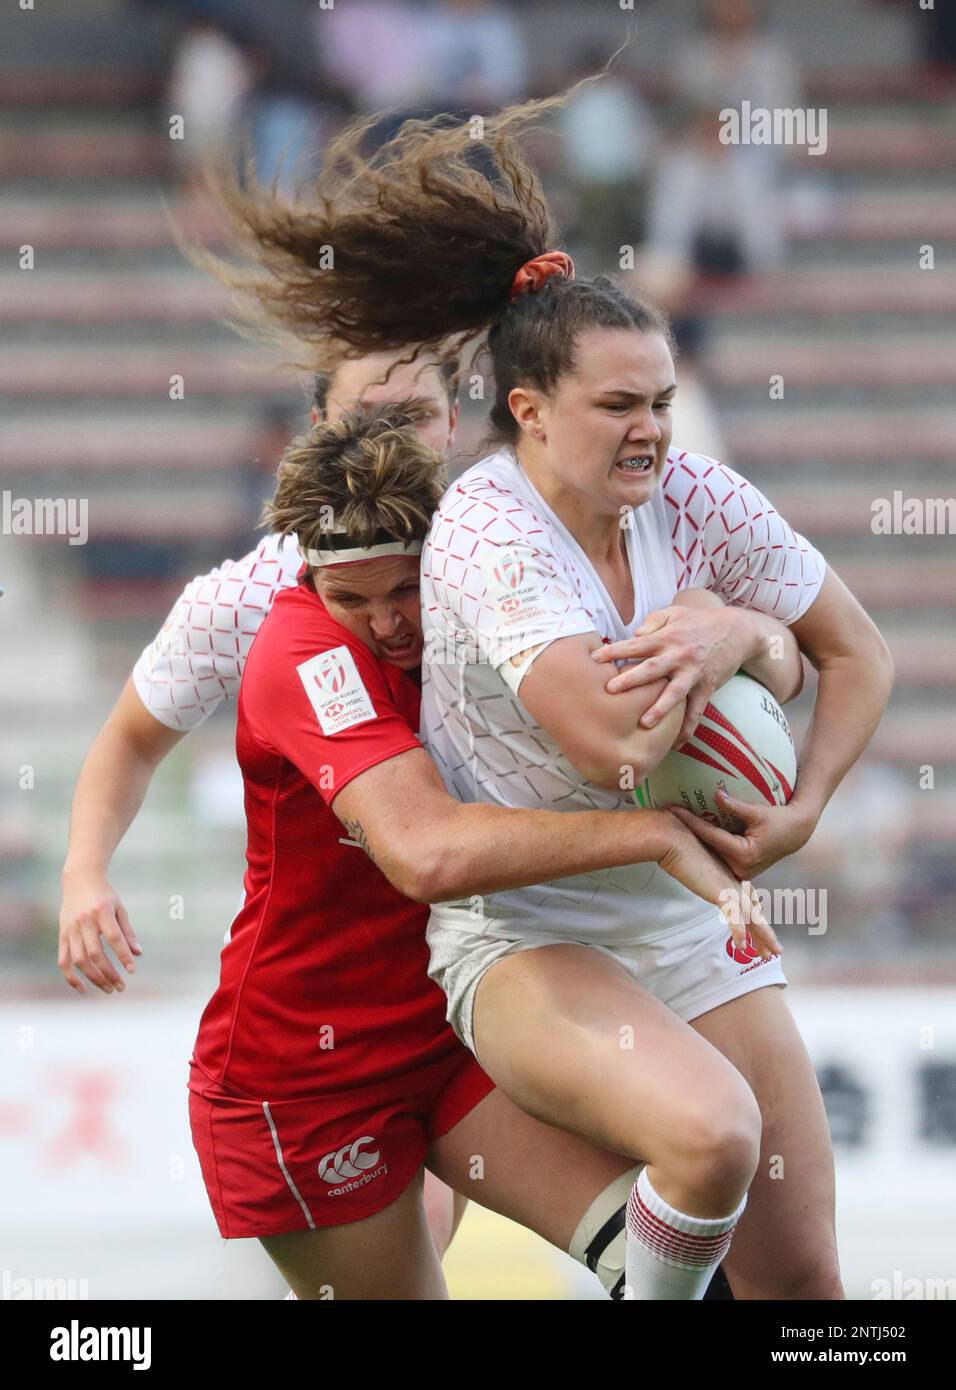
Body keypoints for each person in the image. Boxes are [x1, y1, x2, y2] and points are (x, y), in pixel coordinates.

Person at [202, 90, 895, 1299]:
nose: (650, 433)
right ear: (525, 414)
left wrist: (752, 656)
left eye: (661, 403)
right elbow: (608, 746)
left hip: (655, 935)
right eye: (617, 407)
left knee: (802, 1289)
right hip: (466, 970)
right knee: (710, 1140)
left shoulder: (695, 496)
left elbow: (854, 654)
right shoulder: (467, 541)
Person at [60, 354, 778, 1299]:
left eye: (402, 593)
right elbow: (427, 851)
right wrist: (84, 873)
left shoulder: (496, 581)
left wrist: (729, 624)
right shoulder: (281, 632)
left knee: (676, 1250)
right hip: (307, 1076)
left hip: (448, 1029)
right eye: (351, 599)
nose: (384, 624)